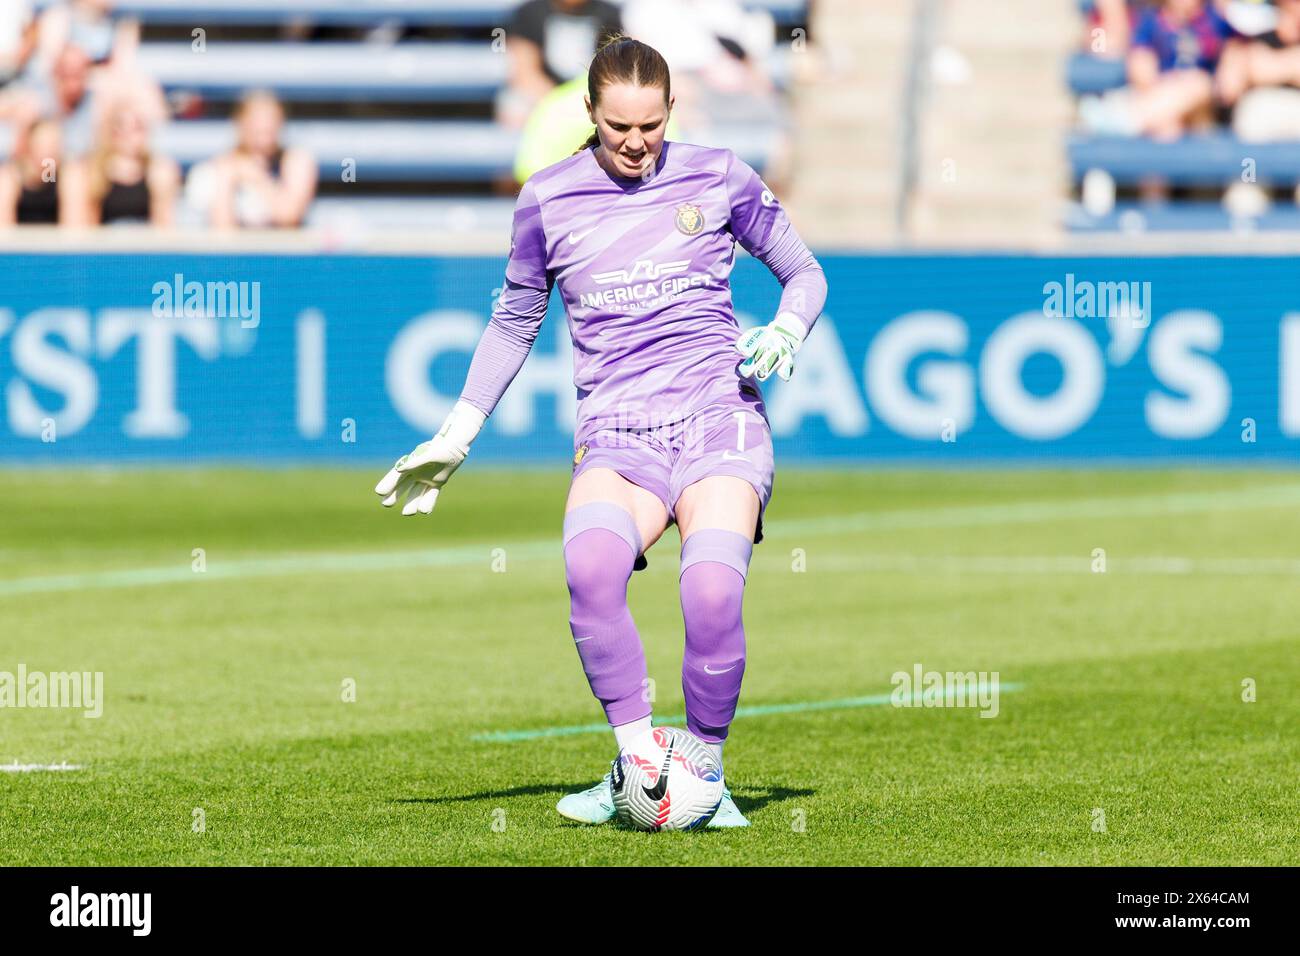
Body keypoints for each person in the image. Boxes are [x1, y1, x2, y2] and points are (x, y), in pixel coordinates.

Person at [375, 35, 827, 828]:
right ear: (589, 112)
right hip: (618, 432)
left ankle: (704, 775)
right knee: (589, 572)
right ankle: (640, 766)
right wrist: (458, 431)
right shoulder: (547, 200)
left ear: (670, 113)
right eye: (618, 126)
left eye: (650, 126)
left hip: (719, 416)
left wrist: (787, 330)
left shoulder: (719, 175)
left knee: (713, 591)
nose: (635, 143)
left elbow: (805, 272)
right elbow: (514, 322)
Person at [497, 0, 622, 129]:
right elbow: (524, 72)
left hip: (591, 94)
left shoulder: (609, 14)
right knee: (515, 106)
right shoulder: (529, 13)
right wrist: (560, 103)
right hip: (542, 96)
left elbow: (615, 69)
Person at [207, 90, 317, 230]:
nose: (265, 125)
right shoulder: (224, 165)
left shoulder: (296, 159)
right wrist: (227, 180)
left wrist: (256, 178)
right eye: (256, 120)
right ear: (241, 123)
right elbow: (221, 229)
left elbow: (290, 216)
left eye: (271, 119)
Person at [68, 99, 179, 226]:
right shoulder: (92, 172)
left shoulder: (157, 172)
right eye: (121, 127)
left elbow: (163, 225)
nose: (129, 134)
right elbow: (83, 225)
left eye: (138, 127)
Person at [0, 118, 74, 225]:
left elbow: (74, 230)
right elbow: (3, 230)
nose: (51, 151)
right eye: (45, 145)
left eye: (55, 145)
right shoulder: (10, 177)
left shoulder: (67, 176)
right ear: (30, 146)